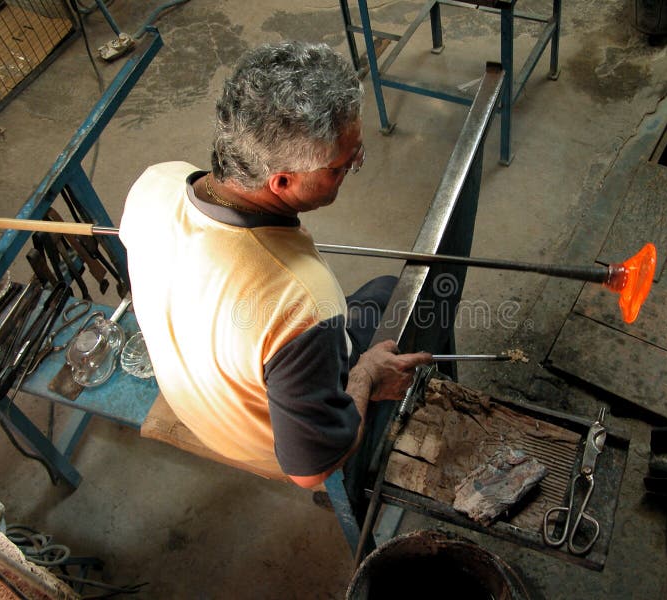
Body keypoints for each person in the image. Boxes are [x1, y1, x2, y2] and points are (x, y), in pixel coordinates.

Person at [119, 41, 432, 489]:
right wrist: (364, 376)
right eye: (345, 165)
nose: (354, 167)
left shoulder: (157, 180)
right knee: (393, 300)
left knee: (380, 293)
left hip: (194, 392)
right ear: (282, 181)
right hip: (260, 442)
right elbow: (311, 470)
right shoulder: (301, 300)